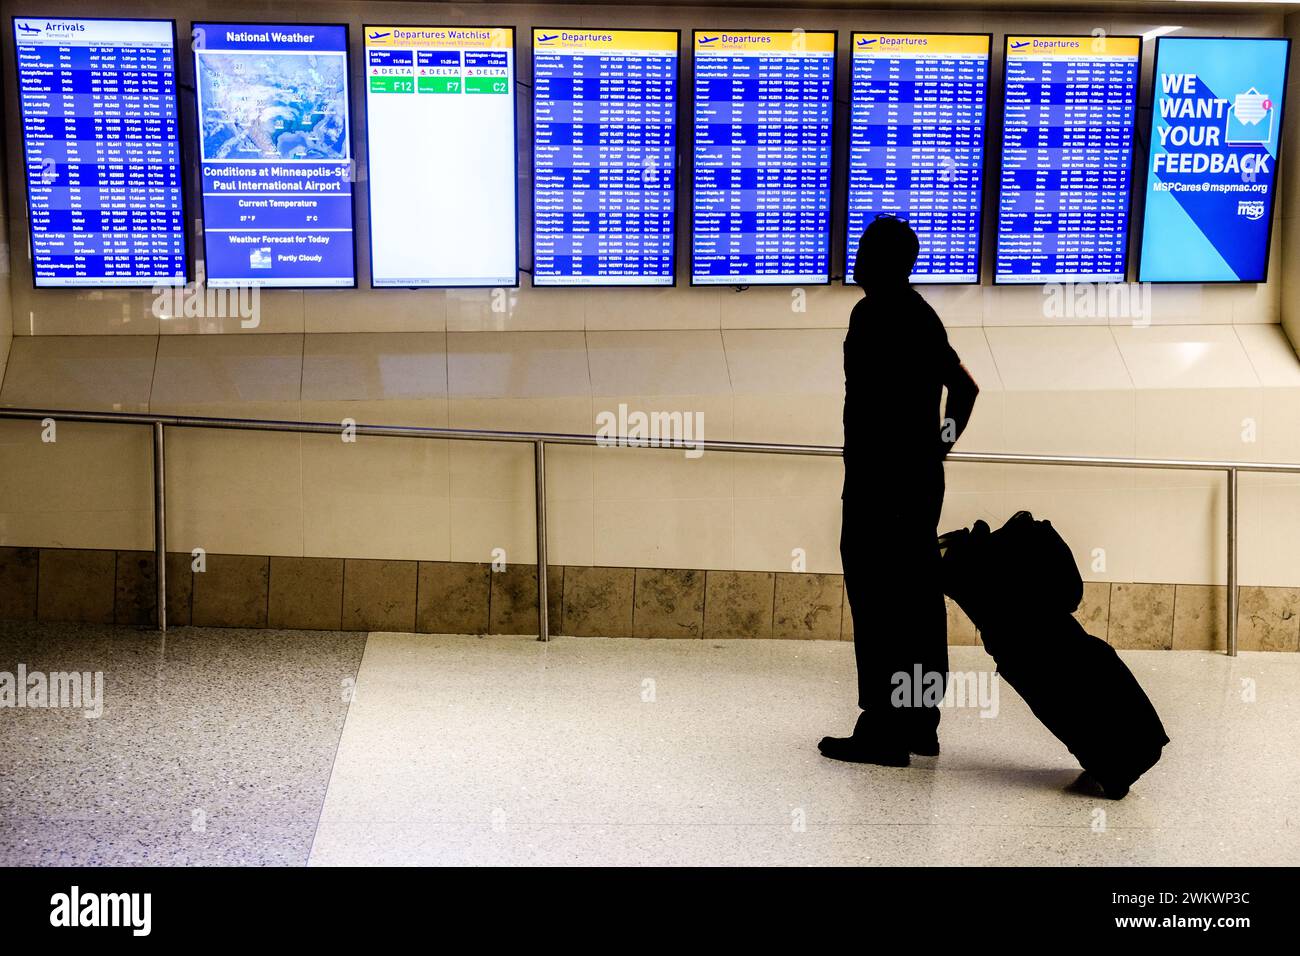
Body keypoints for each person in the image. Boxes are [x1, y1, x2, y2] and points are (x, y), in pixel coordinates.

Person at [820, 215, 979, 767]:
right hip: (918, 483)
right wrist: (938, 447)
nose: (856, 259)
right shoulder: (921, 314)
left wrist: (930, 448)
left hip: (877, 485)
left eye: (864, 251)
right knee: (916, 600)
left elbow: (958, 391)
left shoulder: (873, 315)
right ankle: (920, 723)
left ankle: (882, 731)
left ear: (882, 262)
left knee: (878, 601)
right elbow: (966, 389)